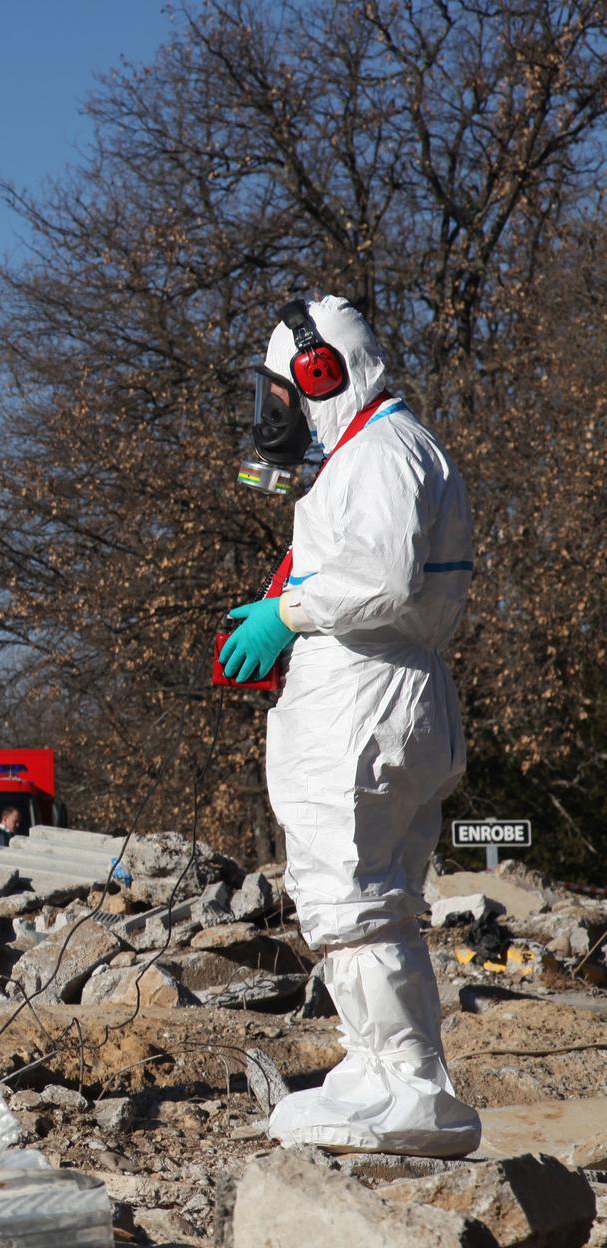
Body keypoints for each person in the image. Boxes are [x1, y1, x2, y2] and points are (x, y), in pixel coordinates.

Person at [221, 296, 479, 1157]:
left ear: (322, 372)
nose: (277, 418)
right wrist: (286, 608)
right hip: (387, 690)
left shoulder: (382, 453)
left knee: (350, 901)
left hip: (366, 697)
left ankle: (415, 1090)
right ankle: (376, 1070)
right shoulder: (383, 450)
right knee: (373, 899)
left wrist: (285, 614)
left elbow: (385, 582)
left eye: (286, 395)